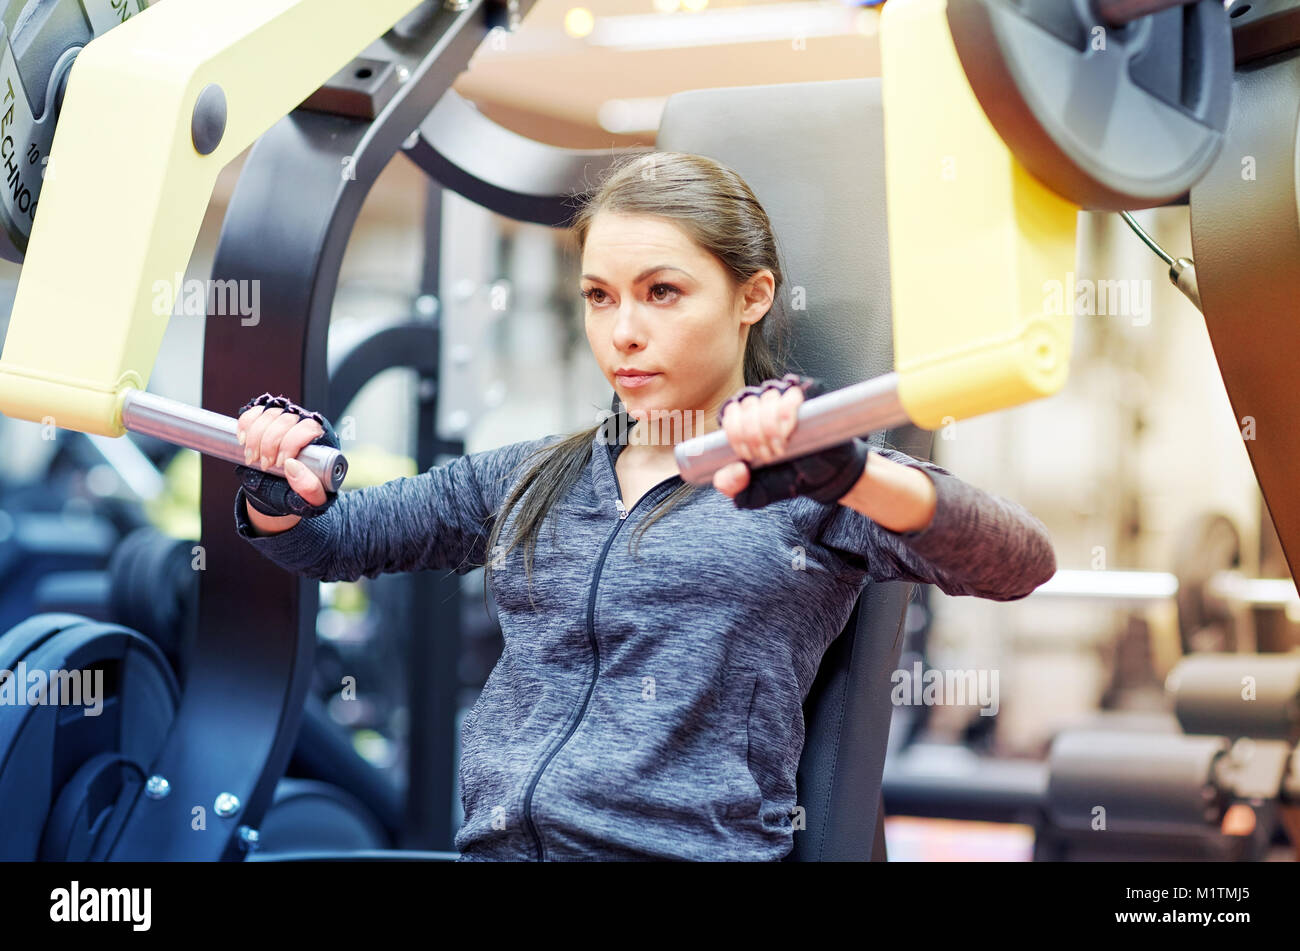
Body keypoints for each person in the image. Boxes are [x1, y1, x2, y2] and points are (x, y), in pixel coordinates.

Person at [231, 151, 1057, 861]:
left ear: (752, 296)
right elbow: (331, 541)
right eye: (600, 296)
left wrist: (845, 473)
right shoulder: (536, 474)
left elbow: (1021, 561)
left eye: (662, 292)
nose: (622, 331)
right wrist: (282, 487)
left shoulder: (805, 484)